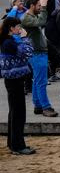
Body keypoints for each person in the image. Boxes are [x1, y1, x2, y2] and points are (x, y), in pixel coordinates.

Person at [1, 17, 36, 155]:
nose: (20, 29)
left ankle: (13, 143)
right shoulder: (9, 42)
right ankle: (18, 145)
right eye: (17, 26)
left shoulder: (9, 41)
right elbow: (27, 52)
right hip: (14, 80)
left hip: (14, 79)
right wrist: (25, 38)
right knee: (18, 113)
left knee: (15, 112)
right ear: (11, 28)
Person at [21, 0, 57, 117]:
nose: (40, 7)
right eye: (38, 5)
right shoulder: (27, 18)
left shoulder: (31, 16)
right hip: (36, 53)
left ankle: (37, 105)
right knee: (42, 81)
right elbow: (41, 22)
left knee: (37, 80)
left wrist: (42, 8)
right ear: (32, 6)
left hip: (38, 52)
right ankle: (46, 107)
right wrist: (44, 8)